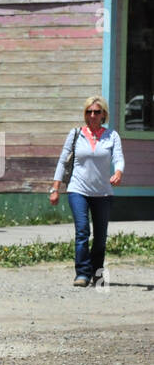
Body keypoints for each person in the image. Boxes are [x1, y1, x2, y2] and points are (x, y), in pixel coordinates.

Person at [51, 96, 124, 287]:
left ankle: (98, 273)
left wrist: (118, 172)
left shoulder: (112, 136)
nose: (92, 115)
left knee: (100, 237)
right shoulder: (76, 134)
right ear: (85, 114)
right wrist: (55, 188)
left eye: (97, 112)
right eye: (89, 112)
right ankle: (82, 274)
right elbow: (62, 162)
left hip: (103, 193)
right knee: (82, 231)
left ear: (103, 115)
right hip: (78, 189)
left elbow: (119, 158)